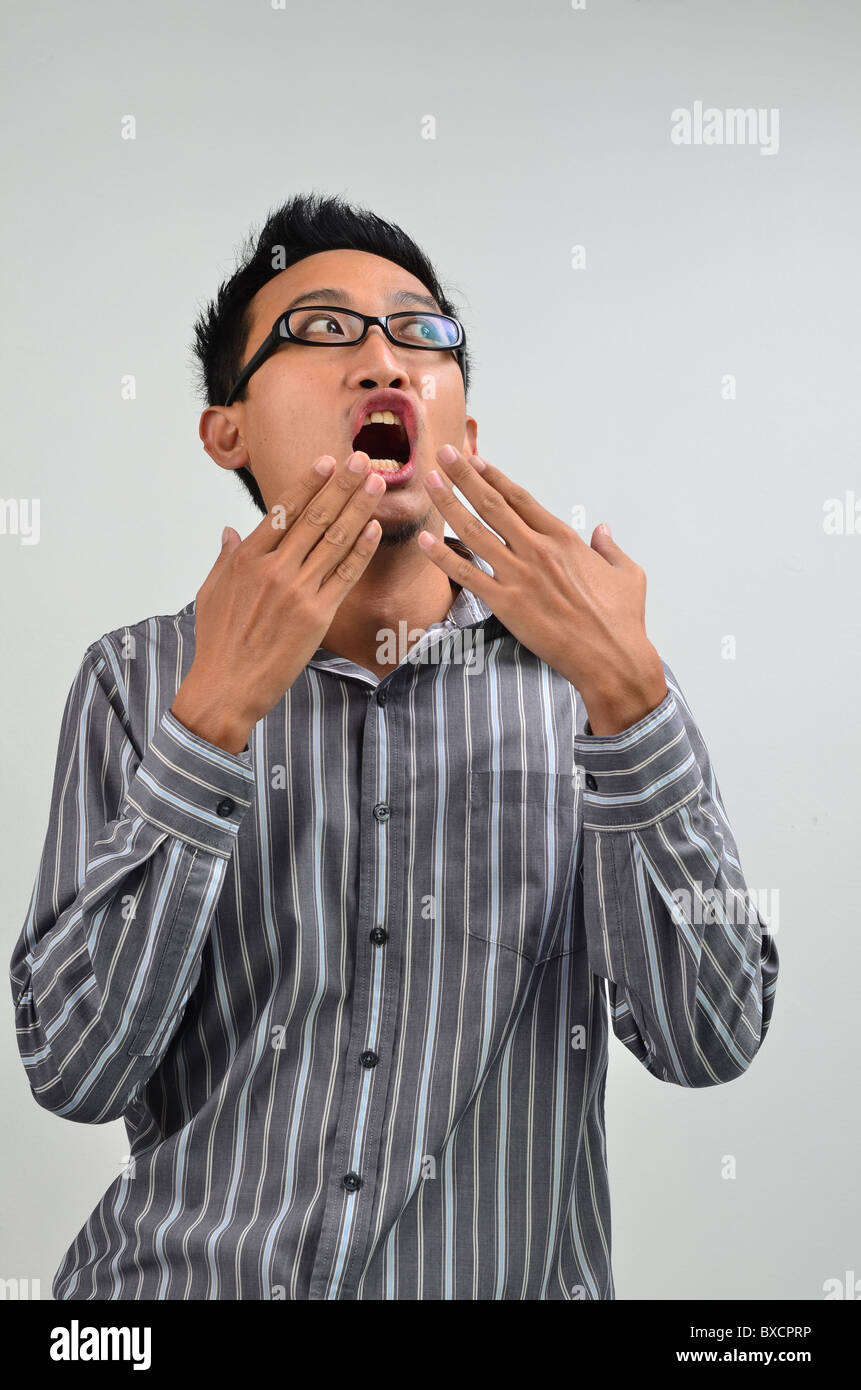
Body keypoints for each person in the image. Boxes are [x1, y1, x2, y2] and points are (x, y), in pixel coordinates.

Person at [9, 192, 778, 1300]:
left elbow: (710, 1036)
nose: (383, 356)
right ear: (227, 426)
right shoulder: (138, 680)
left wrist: (630, 693)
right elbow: (74, 1067)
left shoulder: (594, 684)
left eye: (421, 332)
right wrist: (210, 723)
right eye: (323, 329)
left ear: (460, 426)